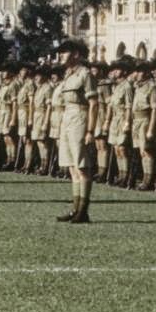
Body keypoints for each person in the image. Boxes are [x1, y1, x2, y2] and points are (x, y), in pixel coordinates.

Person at [54, 40, 98, 223]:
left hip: (80, 117)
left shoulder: (85, 74)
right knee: (72, 167)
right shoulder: (68, 75)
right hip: (67, 118)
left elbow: (94, 104)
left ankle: (83, 210)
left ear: (76, 54)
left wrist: (90, 130)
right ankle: (75, 208)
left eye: (65, 52)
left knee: (82, 166)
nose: (61, 55)